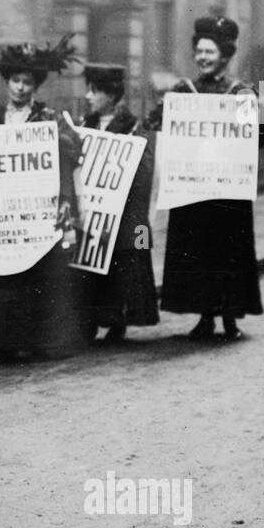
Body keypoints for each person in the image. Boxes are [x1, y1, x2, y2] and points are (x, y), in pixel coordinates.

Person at [0, 40, 94, 359]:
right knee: (2, 273)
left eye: (28, 82)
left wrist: (55, 139)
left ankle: (32, 339)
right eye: (16, 81)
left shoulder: (48, 117)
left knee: (33, 273)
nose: (20, 88)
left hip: (35, 211)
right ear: (7, 82)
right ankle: (2, 339)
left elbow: (75, 148)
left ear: (36, 85)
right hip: (2, 211)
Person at [147, 16, 264, 342]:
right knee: (198, 252)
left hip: (228, 191)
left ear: (224, 55)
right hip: (193, 188)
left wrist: (256, 118)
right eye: (199, 51)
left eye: (210, 51)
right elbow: (155, 122)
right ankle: (205, 316)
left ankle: (231, 317)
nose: (203, 57)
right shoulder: (183, 90)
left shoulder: (241, 93)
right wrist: (166, 111)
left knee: (228, 251)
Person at [81, 63, 159, 342]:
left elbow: (142, 170)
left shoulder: (133, 126)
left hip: (121, 210)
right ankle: (90, 319)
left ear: (111, 96)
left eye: (95, 91)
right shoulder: (85, 124)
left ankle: (117, 319)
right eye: (88, 90)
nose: (88, 96)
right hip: (93, 208)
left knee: (118, 265)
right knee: (88, 264)